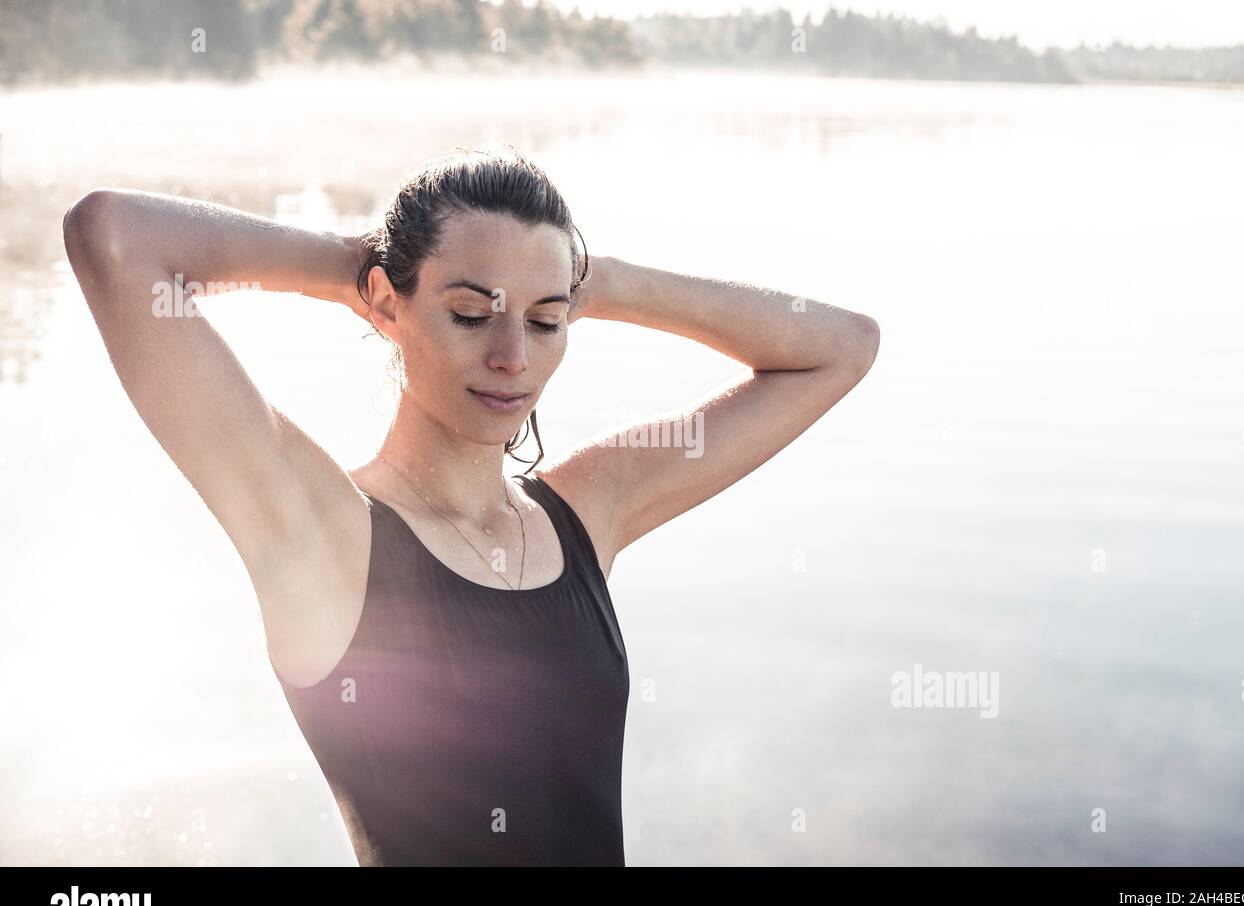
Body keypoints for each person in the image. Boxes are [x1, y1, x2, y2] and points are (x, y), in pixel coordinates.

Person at [61, 145, 881, 865]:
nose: (512, 357)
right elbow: (116, 239)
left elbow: (840, 349)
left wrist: (600, 282)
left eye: (547, 321)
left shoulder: (585, 512)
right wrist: (355, 267)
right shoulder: (325, 536)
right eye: (468, 312)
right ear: (389, 307)